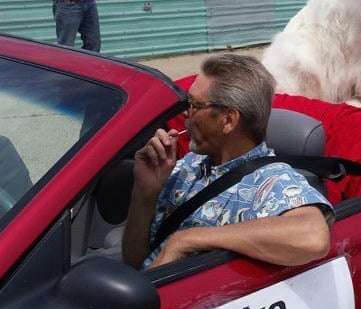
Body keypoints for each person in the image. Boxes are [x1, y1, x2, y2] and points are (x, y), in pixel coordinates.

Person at [122, 54, 334, 270]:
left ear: (228, 121)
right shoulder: (189, 165)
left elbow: (314, 237)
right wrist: (145, 191)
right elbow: (135, 261)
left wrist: (188, 239)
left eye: (195, 104)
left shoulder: (271, 182)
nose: (187, 113)